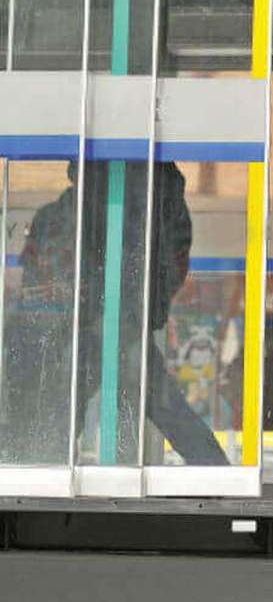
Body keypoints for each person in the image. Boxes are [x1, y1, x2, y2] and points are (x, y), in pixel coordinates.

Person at [3, 161, 228, 466]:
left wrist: (128, 315)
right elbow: (38, 276)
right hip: (98, 327)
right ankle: (213, 468)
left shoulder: (80, 213)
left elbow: (37, 276)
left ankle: (47, 471)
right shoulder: (67, 214)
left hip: (109, 327)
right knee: (144, 401)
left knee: (72, 407)